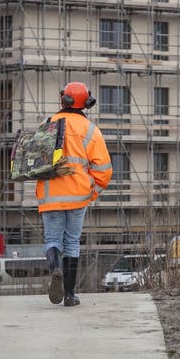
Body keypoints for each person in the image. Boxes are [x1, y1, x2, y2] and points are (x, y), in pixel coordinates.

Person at [36, 82, 112, 307]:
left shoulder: (47, 124)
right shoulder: (91, 130)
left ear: (64, 100)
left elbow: (35, 160)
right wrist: (92, 192)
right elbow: (104, 170)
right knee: (72, 242)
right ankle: (69, 295)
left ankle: (56, 269)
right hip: (79, 194)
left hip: (50, 195)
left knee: (52, 240)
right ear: (86, 103)